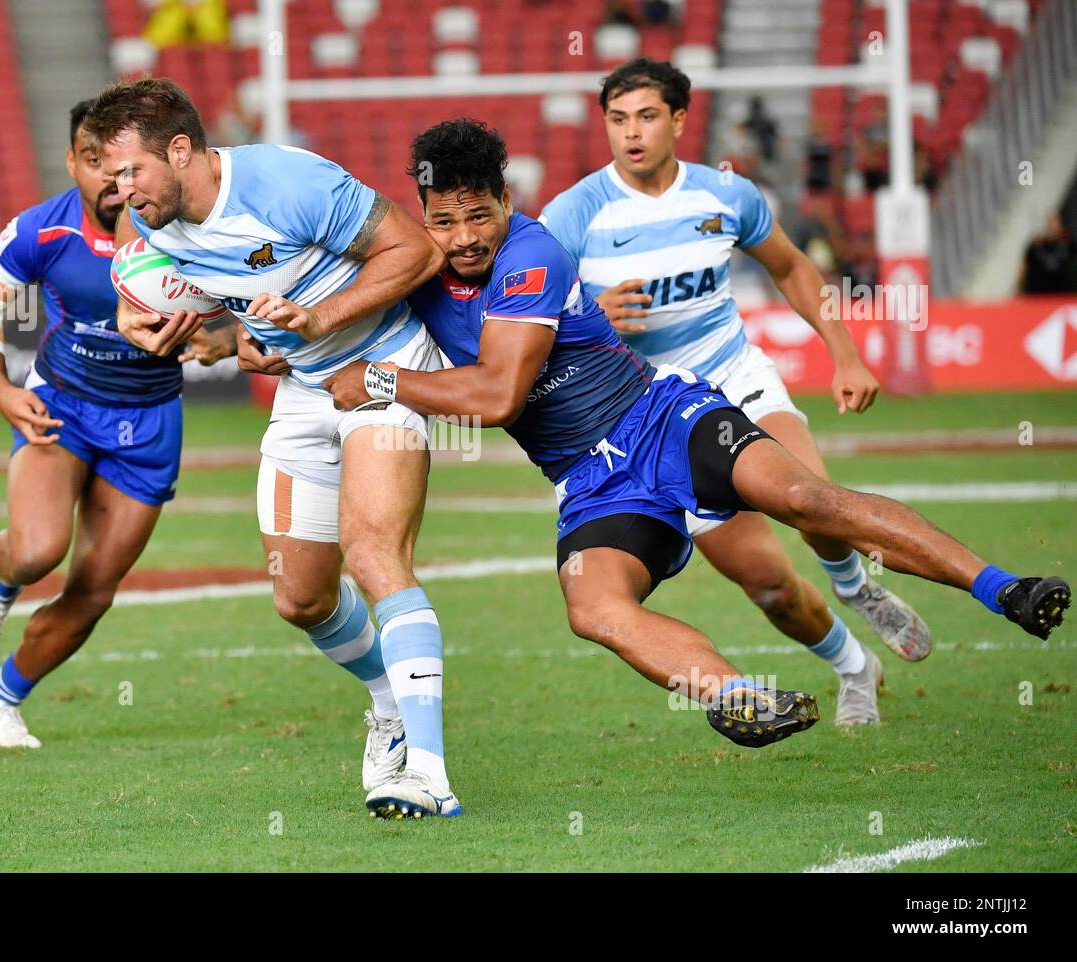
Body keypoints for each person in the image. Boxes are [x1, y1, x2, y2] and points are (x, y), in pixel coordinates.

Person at [320, 119, 1069, 746]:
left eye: (479, 215)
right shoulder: (417, 272)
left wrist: (379, 382)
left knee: (808, 499)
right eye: (444, 221)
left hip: (664, 420)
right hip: (588, 479)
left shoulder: (533, 250)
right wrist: (236, 337)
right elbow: (313, 282)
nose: (464, 238)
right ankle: (742, 695)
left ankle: (1004, 588)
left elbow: (497, 394)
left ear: (507, 202)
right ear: (423, 217)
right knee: (599, 608)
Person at [86, 78, 460, 819]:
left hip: (387, 372)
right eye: (111, 174)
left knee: (375, 554)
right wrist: (191, 335)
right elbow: (193, 302)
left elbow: (416, 252)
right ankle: (388, 698)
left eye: (132, 171)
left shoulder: (286, 181)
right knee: (301, 597)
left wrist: (318, 318)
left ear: (183, 151)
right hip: (303, 390)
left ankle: (429, 775)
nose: (119, 189)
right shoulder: (151, 230)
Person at [539, 59, 932, 725]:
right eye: (617, 119)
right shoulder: (571, 216)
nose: (631, 132)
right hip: (652, 421)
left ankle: (853, 585)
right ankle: (854, 666)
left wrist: (846, 354)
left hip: (735, 378)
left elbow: (791, 266)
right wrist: (593, 310)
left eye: (647, 116)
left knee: (812, 498)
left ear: (680, 120)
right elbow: (532, 325)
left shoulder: (725, 196)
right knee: (771, 588)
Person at [0, 101, 235, 749]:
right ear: (72, 163)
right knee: (36, 550)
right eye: (92, 158)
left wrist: (227, 338)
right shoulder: (44, 230)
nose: (110, 174)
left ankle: (1, 696)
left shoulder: (186, 228)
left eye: (120, 160)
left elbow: (263, 290)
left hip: (150, 420)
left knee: (93, 592)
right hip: (64, 405)